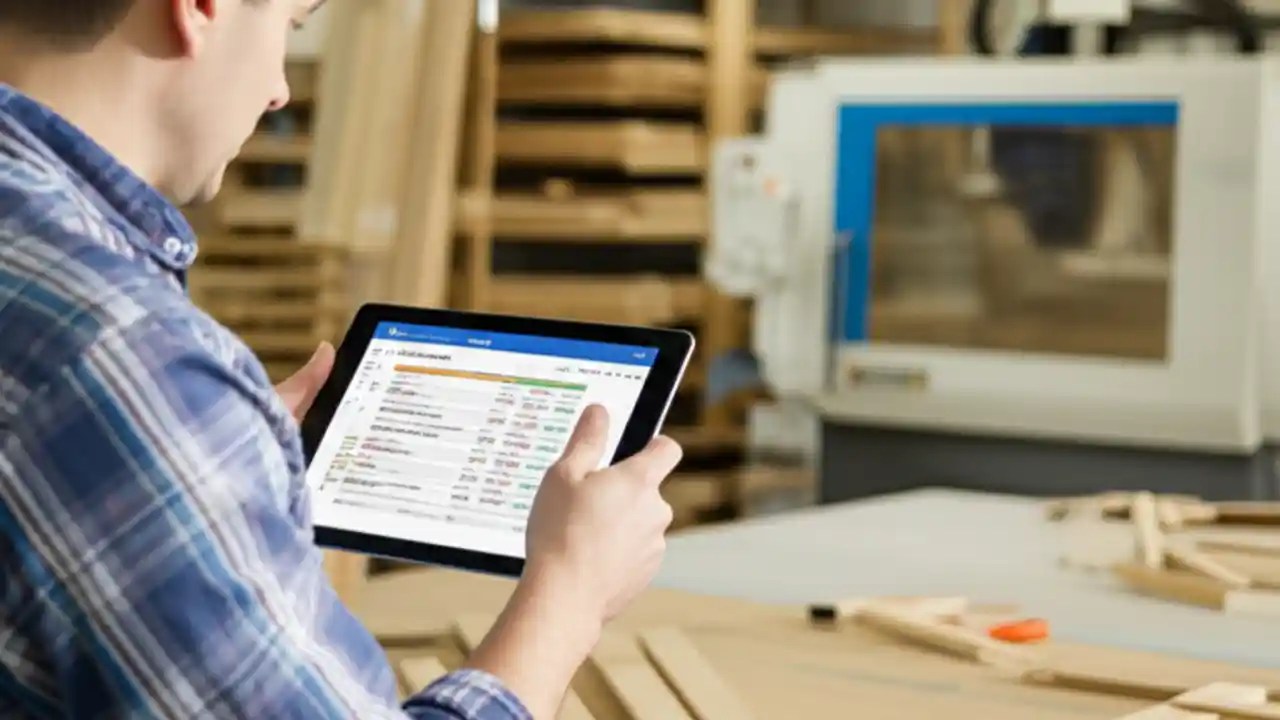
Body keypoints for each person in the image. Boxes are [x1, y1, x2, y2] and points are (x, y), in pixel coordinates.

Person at [0, 0, 683, 717]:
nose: (279, 89)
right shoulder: (117, 354)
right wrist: (569, 593)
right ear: (200, 8)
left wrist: (216, 454)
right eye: (289, 27)